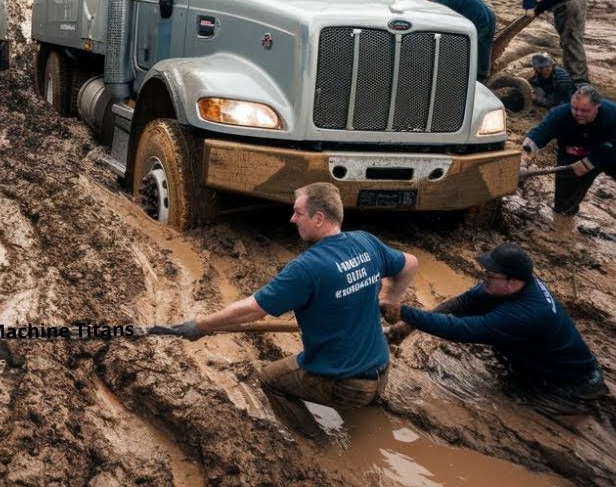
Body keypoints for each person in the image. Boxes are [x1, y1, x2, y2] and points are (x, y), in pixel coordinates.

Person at [154, 183, 419, 437]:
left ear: (318, 218)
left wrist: (202, 325)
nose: (292, 219)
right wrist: (390, 298)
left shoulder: (307, 268)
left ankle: (314, 445)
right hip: (381, 371)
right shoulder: (366, 242)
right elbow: (409, 263)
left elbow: (252, 310)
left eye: (298, 213)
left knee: (270, 380)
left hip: (348, 385)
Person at [385, 242, 607, 417]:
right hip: (543, 361)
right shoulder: (515, 283)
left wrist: (405, 312)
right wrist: (409, 327)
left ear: (512, 282)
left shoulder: (526, 314)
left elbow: (460, 329)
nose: (484, 279)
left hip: (571, 386)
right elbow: (462, 303)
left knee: (523, 416)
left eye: (491, 276)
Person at [523, 85, 616, 252]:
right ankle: (563, 239)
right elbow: (539, 134)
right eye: (575, 108)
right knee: (564, 205)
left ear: (597, 107)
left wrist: (589, 163)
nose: (578, 114)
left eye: (584, 110)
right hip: (575, 154)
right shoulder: (560, 114)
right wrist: (524, 157)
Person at [430, 0, 496, 81]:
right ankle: (482, 74)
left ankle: (474, 77)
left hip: (478, 17)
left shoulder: (441, 2)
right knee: (484, 47)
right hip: (489, 15)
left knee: (472, 46)